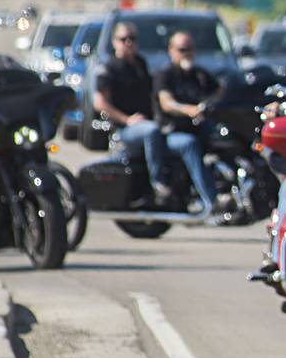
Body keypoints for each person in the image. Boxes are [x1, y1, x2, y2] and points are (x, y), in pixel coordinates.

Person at [94, 22, 172, 202]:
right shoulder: (108, 68)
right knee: (151, 131)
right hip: (124, 130)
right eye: (123, 39)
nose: (128, 43)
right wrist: (127, 119)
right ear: (114, 42)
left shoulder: (140, 64)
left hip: (146, 123)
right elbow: (100, 103)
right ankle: (158, 183)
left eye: (132, 39)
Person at [152, 30, 222, 219]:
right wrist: (189, 110)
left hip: (198, 128)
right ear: (171, 50)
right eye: (181, 49)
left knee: (224, 137)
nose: (186, 53)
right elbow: (166, 103)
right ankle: (211, 200)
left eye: (189, 49)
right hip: (170, 132)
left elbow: (220, 91)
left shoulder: (199, 74)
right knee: (189, 145)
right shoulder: (165, 75)